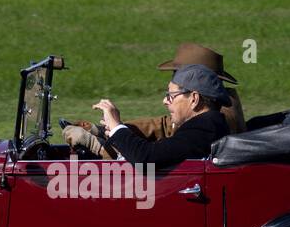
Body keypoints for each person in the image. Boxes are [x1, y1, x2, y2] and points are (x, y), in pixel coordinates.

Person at [63, 43, 245, 157]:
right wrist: (105, 130)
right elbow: (165, 126)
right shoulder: (207, 114)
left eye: (180, 74)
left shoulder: (214, 120)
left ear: (195, 95)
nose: (165, 101)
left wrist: (102, 145)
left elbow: (149, 157)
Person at [96, 64, 230, 166]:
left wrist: (116, 127)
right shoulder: (210, 126)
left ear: (194, 99)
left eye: (171, 96)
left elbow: (146, 158)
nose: (165, 101)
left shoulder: (204, 129)